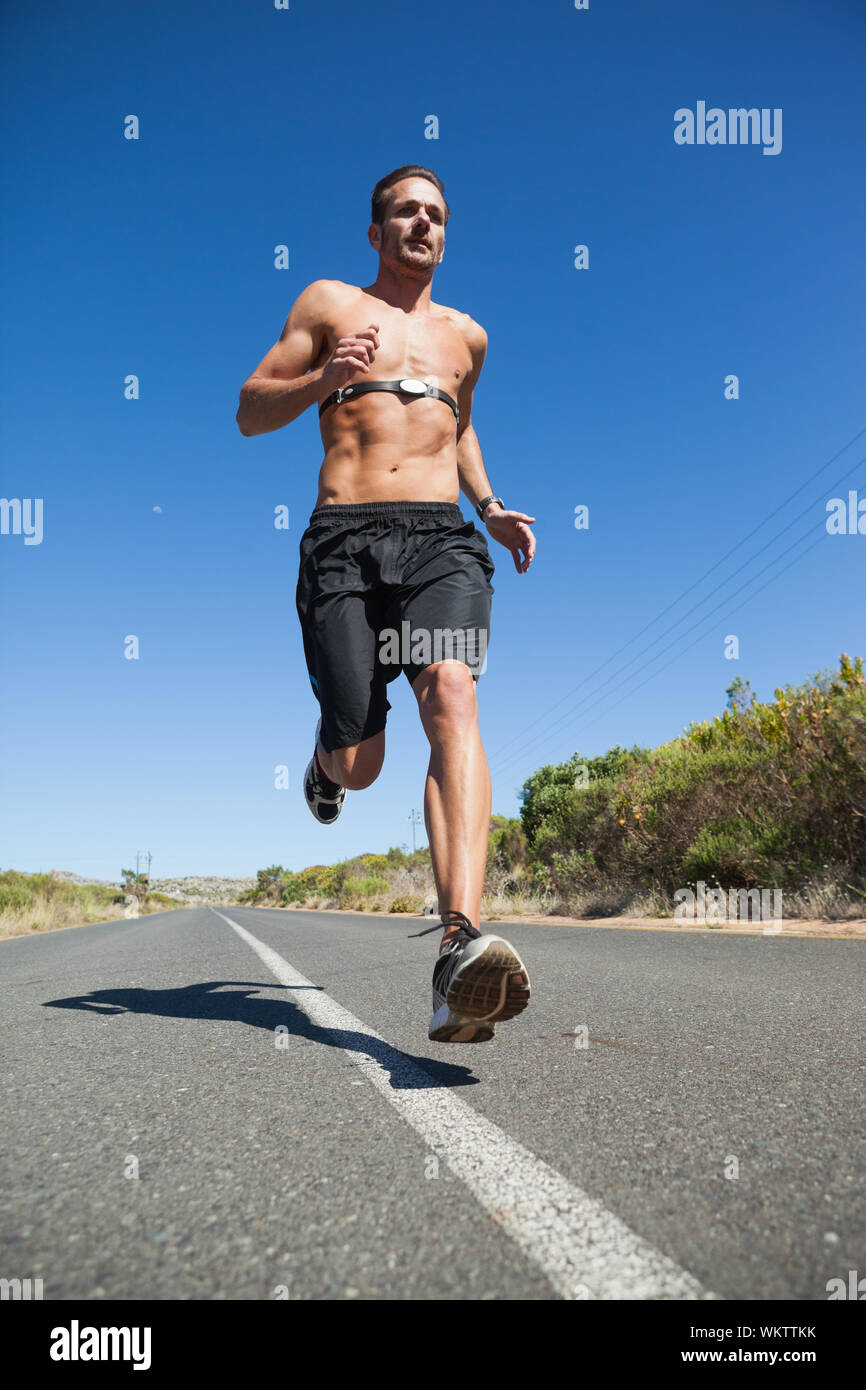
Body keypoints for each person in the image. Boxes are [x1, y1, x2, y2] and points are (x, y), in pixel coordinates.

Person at [236, 165, 536, 1044]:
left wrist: (488, 506)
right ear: (376, 232)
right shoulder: (329, 302)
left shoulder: (466, 337)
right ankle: (329, 762)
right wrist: (324, 374)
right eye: (406, 211)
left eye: (437, 215)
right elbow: (251, 410)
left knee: (451, 691)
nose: (423, 224)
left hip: (441, 539)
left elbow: (462, 421)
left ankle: (458, 947)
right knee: (363, 761)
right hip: (344, 539)